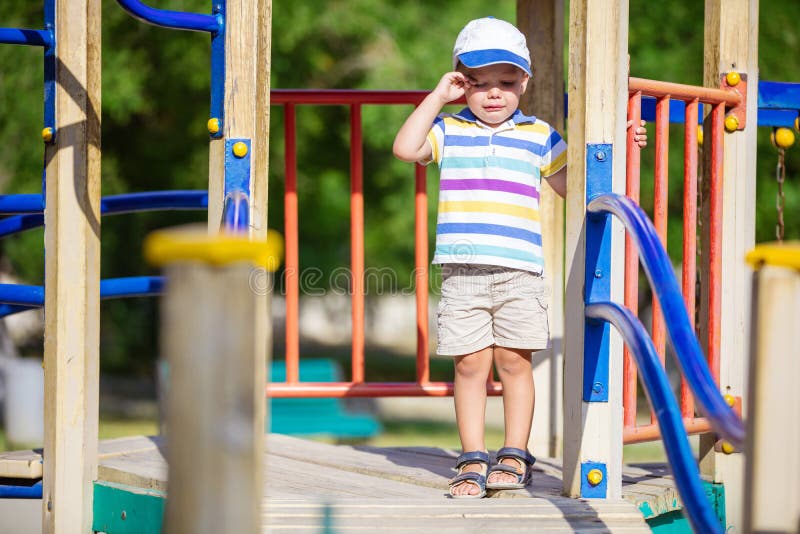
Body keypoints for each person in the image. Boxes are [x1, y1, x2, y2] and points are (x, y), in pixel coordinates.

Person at [393, 17, 647, 498]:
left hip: (519, 272)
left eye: (506, 83)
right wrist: (436, 96)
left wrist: (618, 146)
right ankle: (471, 457)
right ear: (461, 84)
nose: (494, 94)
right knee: (469, 364)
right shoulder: (449, 130)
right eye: (479, 84)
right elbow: (405, 148)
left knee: (513, 361)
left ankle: (514, 452)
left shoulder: (538, 135)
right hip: (462, 272)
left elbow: (574, 188)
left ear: (524, 82)